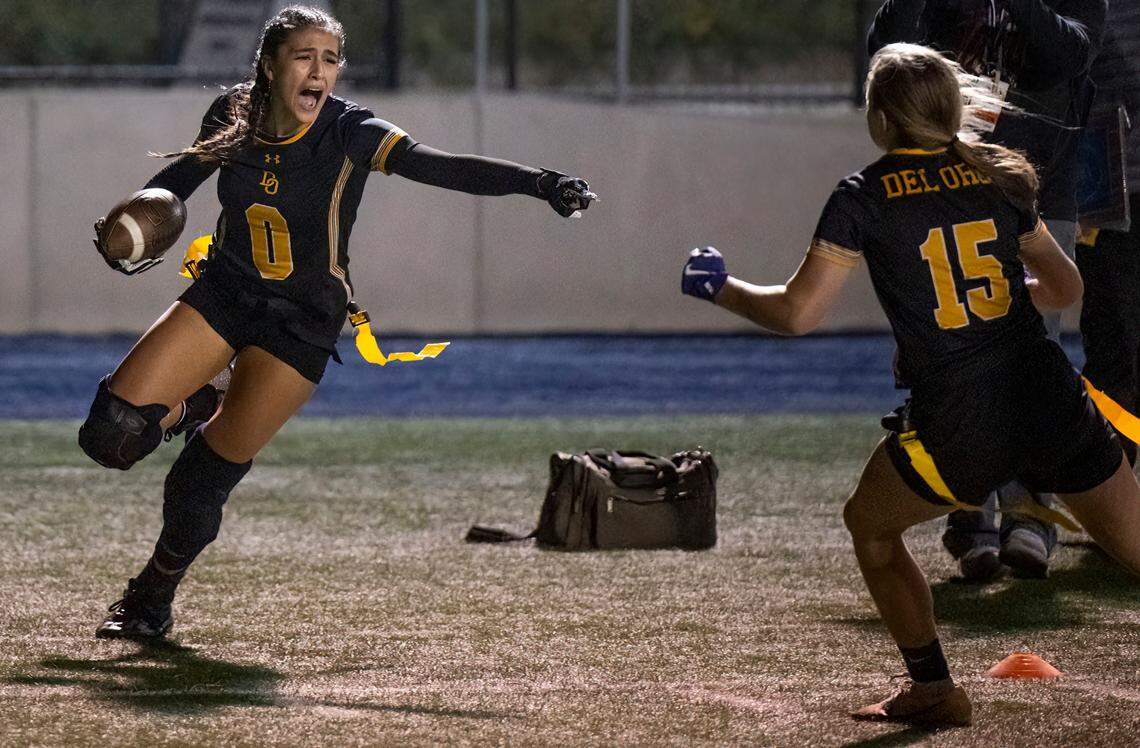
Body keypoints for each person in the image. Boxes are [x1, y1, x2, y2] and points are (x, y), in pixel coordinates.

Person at [80, 5, 594, 640]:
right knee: (110, 437)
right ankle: (196, 404)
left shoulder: (351, 131)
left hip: (302, 322)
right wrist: (132, 225)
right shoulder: (233, 114)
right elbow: (178, 182)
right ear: (270, 66)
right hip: (226, 293)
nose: (319, 71)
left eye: (330, 60)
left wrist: (541, 183)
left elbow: (441, 166)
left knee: (199, 482)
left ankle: (149, 599)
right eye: (304, 57)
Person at [681, 43, 1140, 726]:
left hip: (962, 414)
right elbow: (1065, 287)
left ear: (880, 118)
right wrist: (1001, 304)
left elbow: (798, 313)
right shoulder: (1000, 175)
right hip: (1046, 394)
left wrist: (721, 288)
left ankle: (933, 690)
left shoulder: (863, 196)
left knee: (870, 527)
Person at [867, 0, 1107, 581]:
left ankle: (1030, 518)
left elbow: (1072, 53)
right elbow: (886, 51)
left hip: (1039, 187)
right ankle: (971, 517)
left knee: (1032, 356)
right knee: (949, 350)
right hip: (944, 183)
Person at [1077, 3, 1140, 468]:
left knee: (1114, 340)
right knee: (1113, 341)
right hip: (1107, 189)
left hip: (1107, 185)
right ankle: (1110, 474)